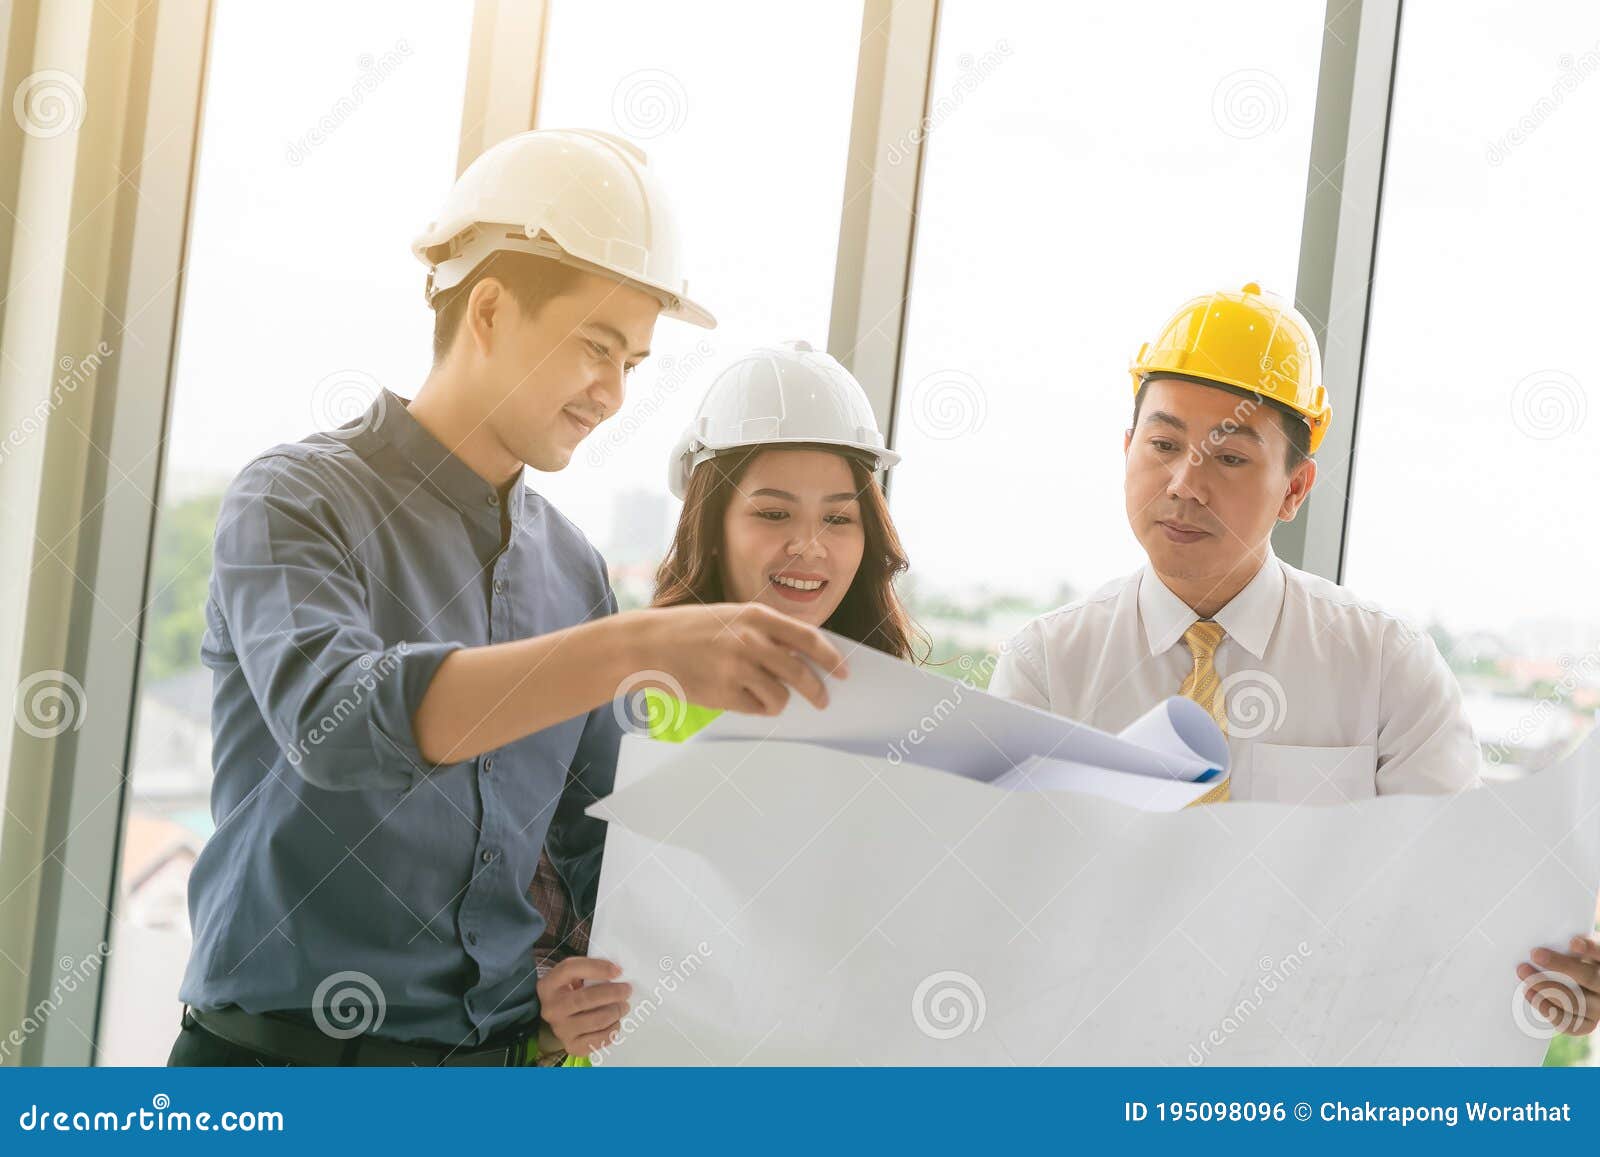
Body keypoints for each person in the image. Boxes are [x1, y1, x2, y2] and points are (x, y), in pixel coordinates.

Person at [170, 129, 848, 1068]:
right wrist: (631, 647)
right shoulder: (294, 499)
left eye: (635, 365)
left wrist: (579, 969)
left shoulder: (569, 568)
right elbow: (337, 721)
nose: (613, 392)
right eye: (596, 348)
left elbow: (606, 836)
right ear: (489, 309)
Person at [989, 280, 1598, 1037]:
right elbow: (1000, 910)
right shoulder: (1047, 666)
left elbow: (1456, 907)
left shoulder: (1386, 668)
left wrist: (1553, 978)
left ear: (1296, 489)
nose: (1184, 483)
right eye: (1163, 444)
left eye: (1231, 457)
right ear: (1126, 451)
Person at [641, 340, 927, 742]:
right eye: (774, 514)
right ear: (710, 531)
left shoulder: (898, 711)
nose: (809, 546)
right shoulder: (641, 691)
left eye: (837, 518)